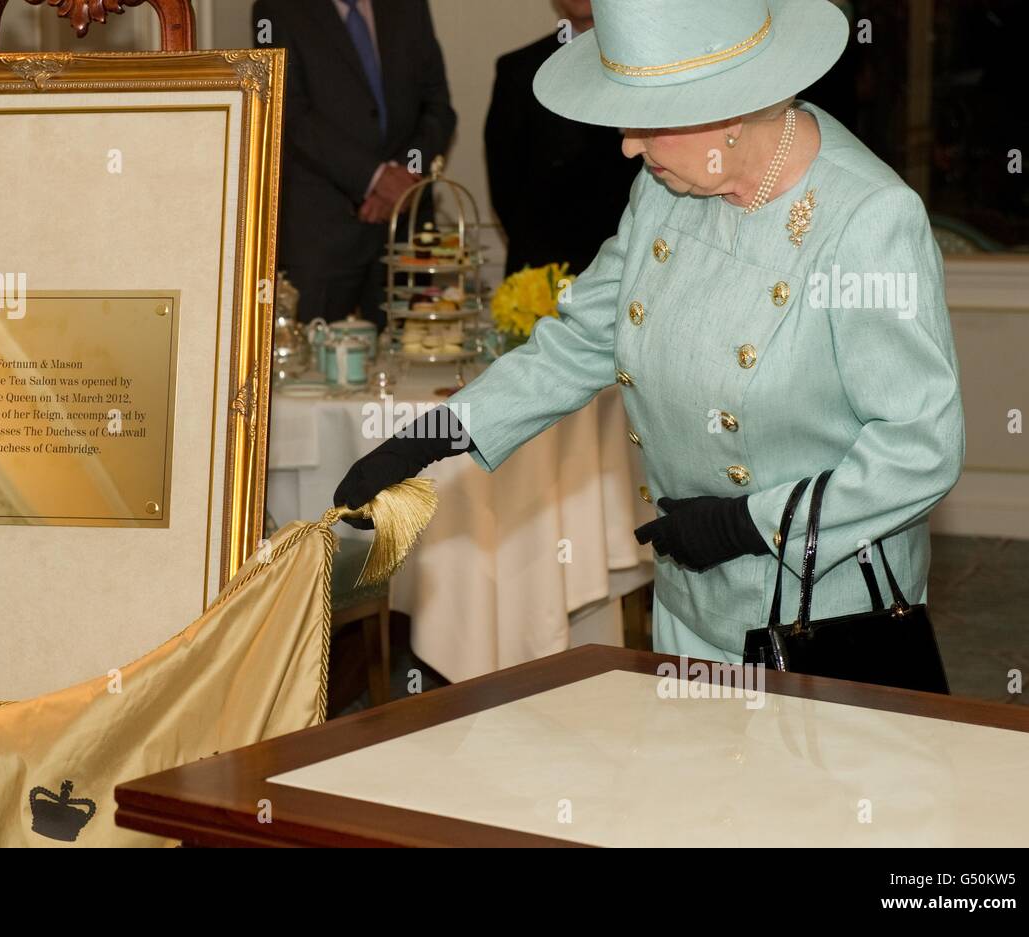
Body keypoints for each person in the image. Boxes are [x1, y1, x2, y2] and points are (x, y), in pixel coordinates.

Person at [334, 0, 965, 663]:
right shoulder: (667, 188)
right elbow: (581, 340)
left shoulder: (868, 218)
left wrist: (747, 523)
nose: (629, 145)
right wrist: (433, 436)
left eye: (649, 122)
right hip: (690, 598)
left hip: (822, 615)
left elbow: (922, 445)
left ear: (727, 110)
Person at [253, 0, 457, 329]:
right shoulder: (278, 10)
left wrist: (405, 175)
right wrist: (375, 178)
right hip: (321, 235)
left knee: (414, 361)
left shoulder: (409, 7)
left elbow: (437, 104)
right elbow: (289, 112)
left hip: (404, 229)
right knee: (312, 366)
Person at [485, 0, 639, 275]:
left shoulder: (648, 66)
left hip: (633, 265)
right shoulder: (519, 70)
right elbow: (505, 184)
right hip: (544, 274)